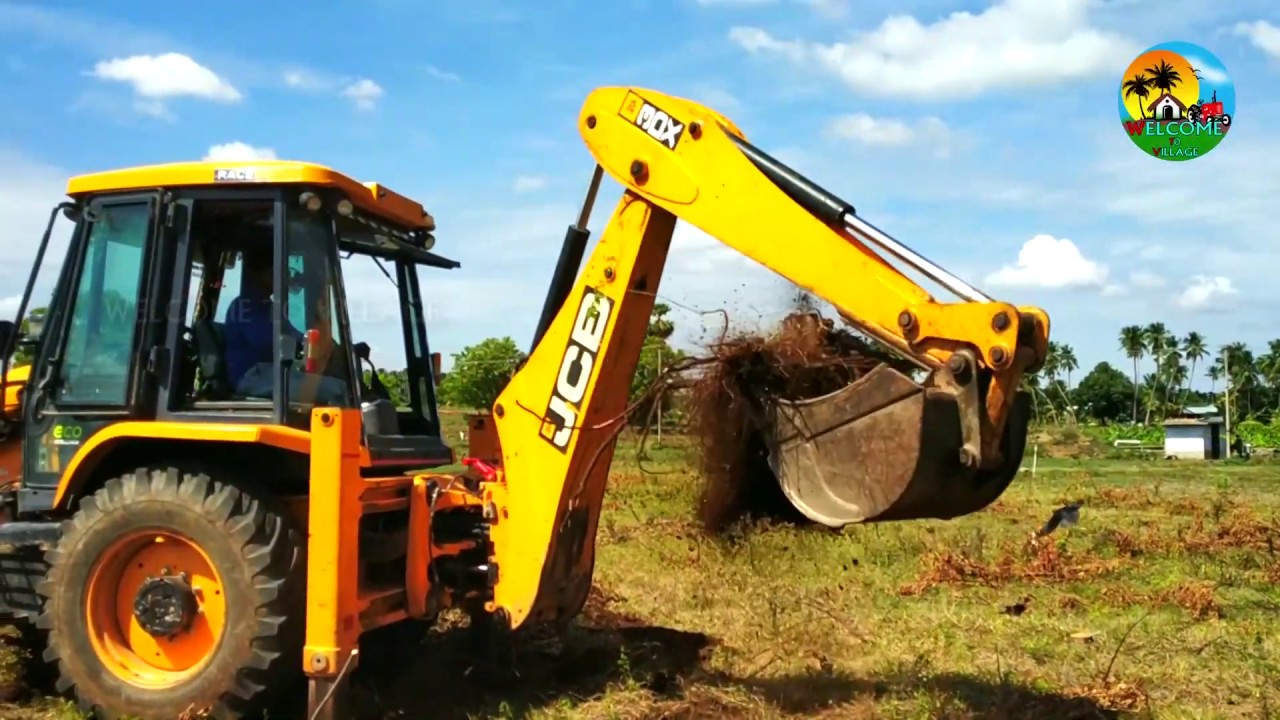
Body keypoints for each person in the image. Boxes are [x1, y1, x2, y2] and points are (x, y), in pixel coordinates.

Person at [222, 249, 348, 405]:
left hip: (272, 372)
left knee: (335, 385)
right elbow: (270, 340)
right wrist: (305, 345)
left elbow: (296, 337)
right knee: (337, 390)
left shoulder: (271, 308)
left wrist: (330, 345)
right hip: (251, 375)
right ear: (259, 274)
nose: (281, 277)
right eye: (274, 271)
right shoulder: (243, 306)